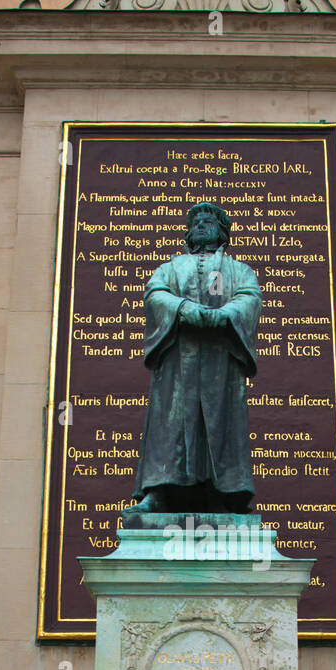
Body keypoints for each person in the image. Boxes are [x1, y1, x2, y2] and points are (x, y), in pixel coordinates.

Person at [127, 200, 261, 516]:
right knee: (170, 424)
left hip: (220, 362)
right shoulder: (171, 267)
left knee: (218, 424)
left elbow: (249, 297)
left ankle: (221, 492)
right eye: (196, 221)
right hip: (179, 359)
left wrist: (226, 314)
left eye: (208, 221)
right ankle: (158, 490)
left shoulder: (238, 270)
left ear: (222, 232)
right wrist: (182, 309)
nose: (200, 224)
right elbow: (155, 293)